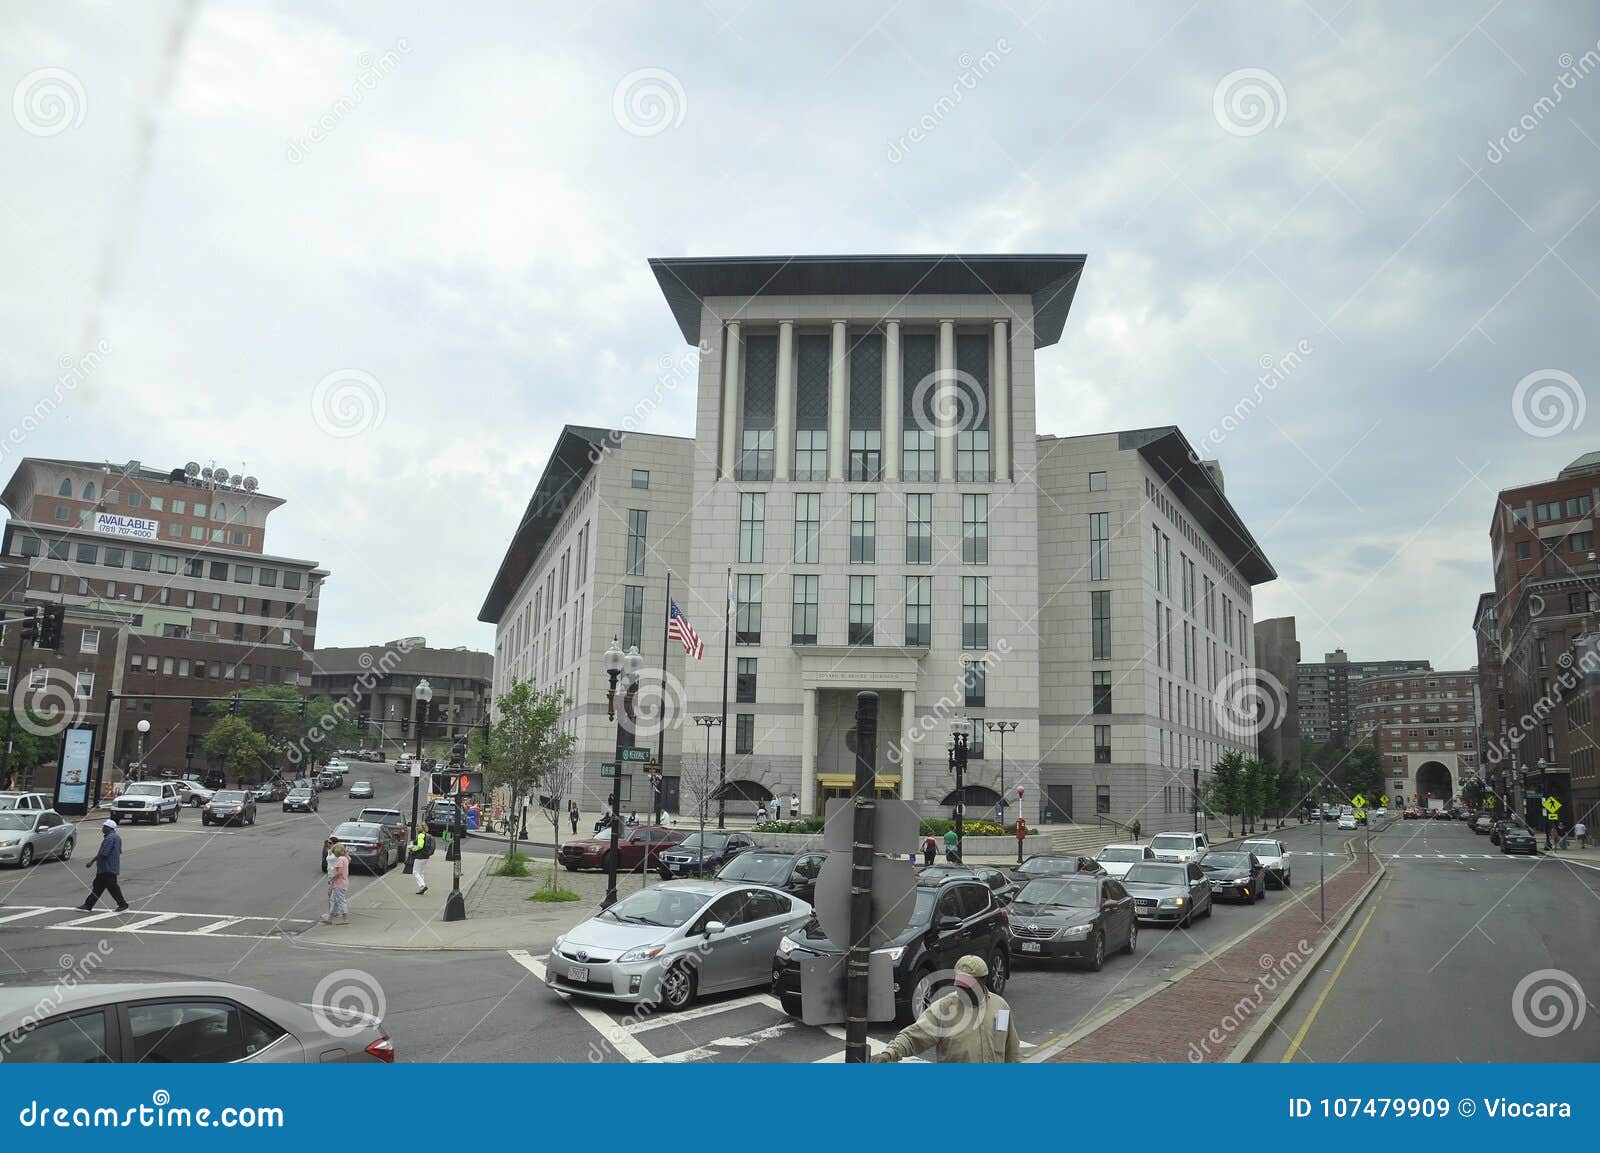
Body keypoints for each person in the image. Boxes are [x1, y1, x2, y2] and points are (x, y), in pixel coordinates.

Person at [871, 955, 1019, 1063]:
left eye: (969, 985)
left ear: (983, 980)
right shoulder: (944, 1009)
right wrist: (889, 1053)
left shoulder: (1000, 1007)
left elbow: (1011, 1050)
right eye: (960, 984)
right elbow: (913, 1037)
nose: (963, 989)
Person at [78, 820, 129, 912]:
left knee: (112, 888)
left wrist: (91, 861)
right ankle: (88, 905)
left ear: (109, 828)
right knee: (98, 886)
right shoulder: (117, 837)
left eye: (104, 826)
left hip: (107, 868)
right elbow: (118, 851)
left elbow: (103, 853)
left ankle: (123, 905)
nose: (102, 828)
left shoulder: (109, 839)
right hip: (109, 867)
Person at [322, 844, 350, 924]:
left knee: (341, 901)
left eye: (334, 852)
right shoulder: (345, 859)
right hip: (343, 882)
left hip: (339, 883)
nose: (334, 853)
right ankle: (330, 918)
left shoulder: (340, 859)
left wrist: (332, 879)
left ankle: (345, 919)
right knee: (333, 900)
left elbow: (339, 872)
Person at [411, 821, 433, 895]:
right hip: (426, 856)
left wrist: (413, 848)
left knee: (415, 872)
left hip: (420, 856)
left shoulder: (421, 835)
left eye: (418, 826)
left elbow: (420, 846)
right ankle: (422, 888)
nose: (416, 828)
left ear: (421, 828)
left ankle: (422, 885)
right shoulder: (427, 835)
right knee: (421, 872)